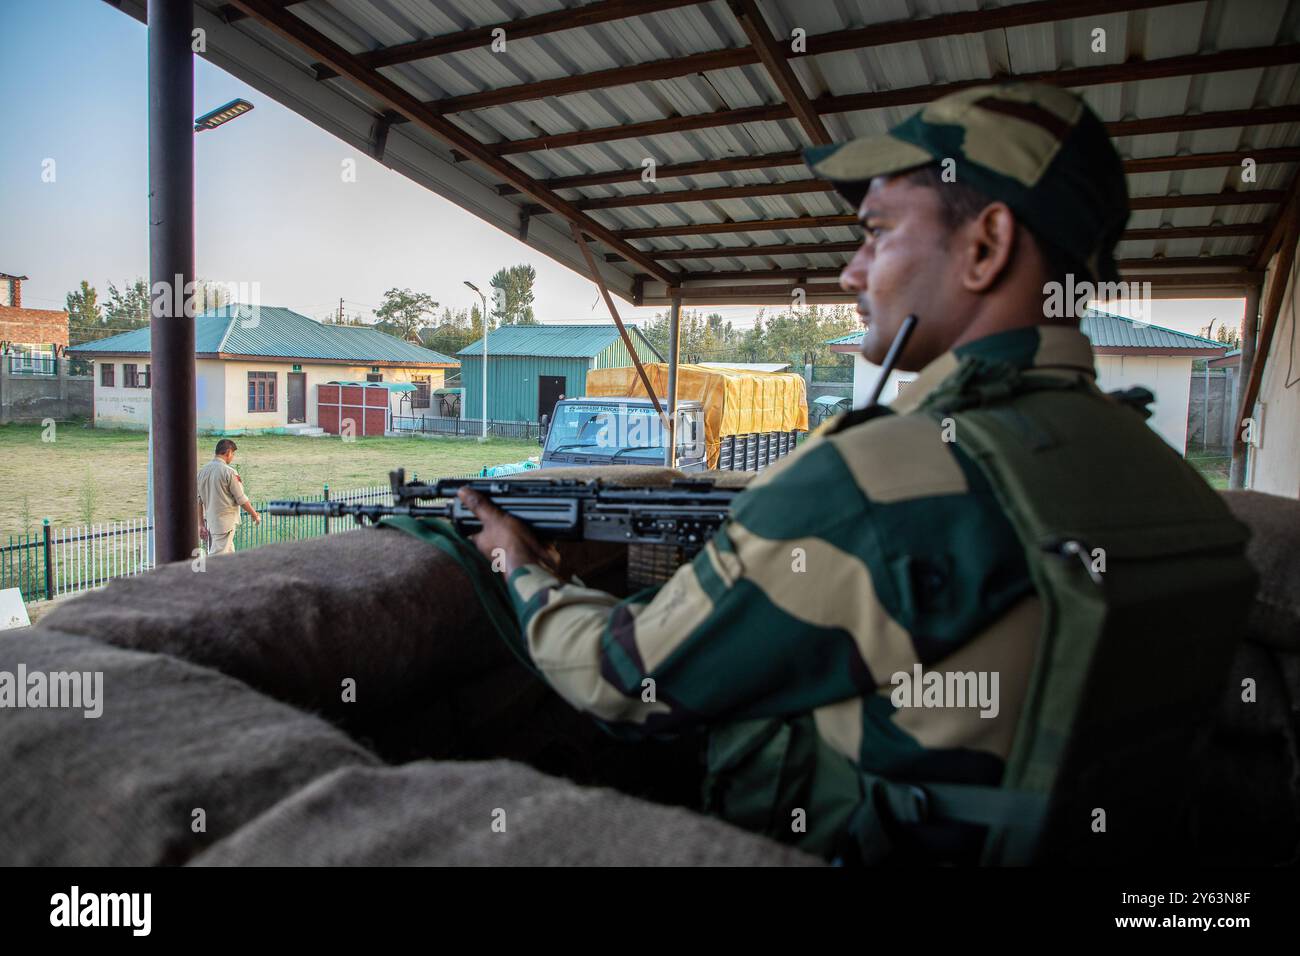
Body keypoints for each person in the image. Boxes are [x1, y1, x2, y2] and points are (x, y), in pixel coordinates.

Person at [456, 82, 1254, 864]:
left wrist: (520, 567)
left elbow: (625, 681)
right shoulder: (1168, 478)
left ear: (987, 245)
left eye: (876, 232)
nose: (850, 272)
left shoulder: (881, 473)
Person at [197, 439, 259, 555]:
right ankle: (209, 574)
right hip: (225, 523)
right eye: (233, 454)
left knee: (229, 555)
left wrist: (200, 524)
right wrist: (254, 515)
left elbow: (198, 501)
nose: (233, 457)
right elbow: (241, 498)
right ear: (228, 452)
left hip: (211, 522)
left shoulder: (201, 472)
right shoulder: (229, 472)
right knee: (217, 556)